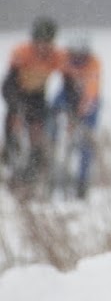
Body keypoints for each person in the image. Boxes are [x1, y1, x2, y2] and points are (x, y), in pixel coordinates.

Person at [3, 17, 65, 185]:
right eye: (39, 42)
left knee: (36, 132)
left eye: (47, 43)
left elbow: (68, 80)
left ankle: (32, 168)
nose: (42, 47)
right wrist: (13, 103)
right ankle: (9, 158)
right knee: (13, 124)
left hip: (37, 96)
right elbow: (9, 81)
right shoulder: (22, 52)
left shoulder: (57, 56)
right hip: (18, 91)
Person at [52, 37, 103, 198]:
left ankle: (82, 181)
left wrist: (81, 113)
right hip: (68, 99)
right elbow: (62, 91)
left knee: (86, 144)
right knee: (53, 129)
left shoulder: (93, 64)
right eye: (74, 55)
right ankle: (54, 175)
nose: (77, 59)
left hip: (89, 104)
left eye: (81, 55)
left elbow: (92, 91)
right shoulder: (65, 62)